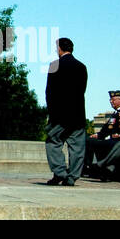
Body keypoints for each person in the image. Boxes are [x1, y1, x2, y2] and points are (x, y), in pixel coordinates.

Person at [43, 37, 87, 186]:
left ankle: (59, 172)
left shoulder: (54, 65)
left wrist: (51, 112)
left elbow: (50, 92)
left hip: (59, 115)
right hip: (78, 114)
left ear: (59, 49)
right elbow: (82, 90)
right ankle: (72, 176)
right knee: (77, 147)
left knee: (53, 143)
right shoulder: (82, 67)